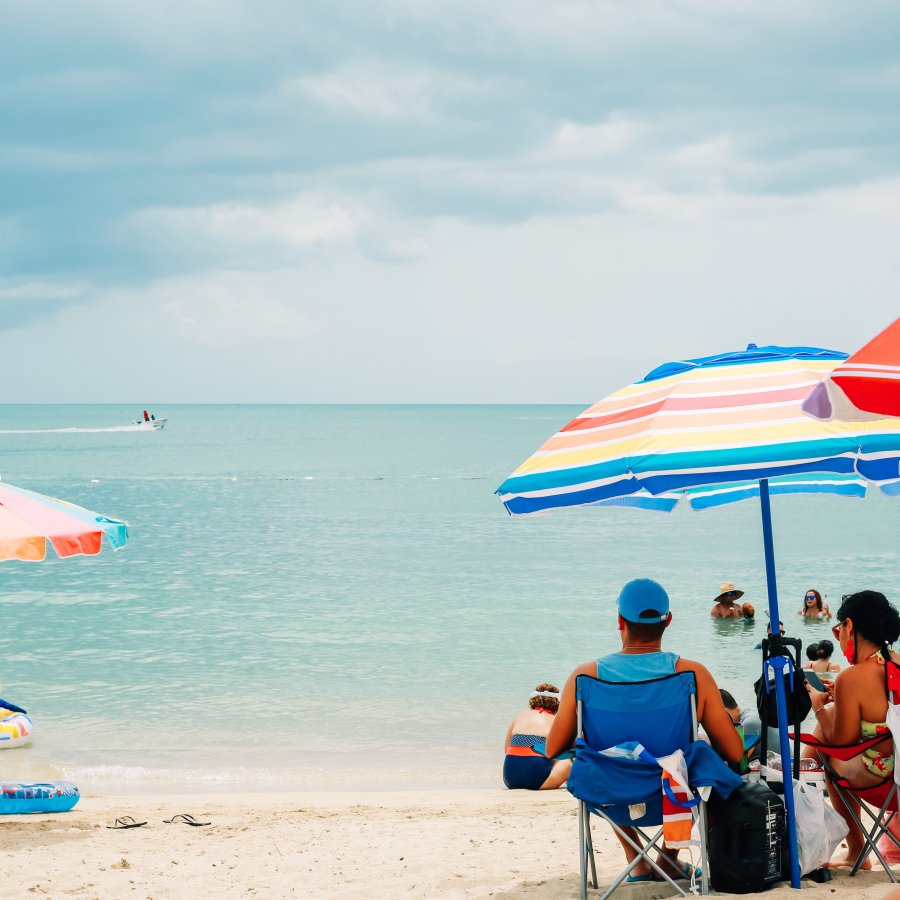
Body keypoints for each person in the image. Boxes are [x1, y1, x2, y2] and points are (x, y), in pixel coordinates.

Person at [547, 579, 743, 880]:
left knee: (597, 758)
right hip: (673, 791)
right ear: (669, 621)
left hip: (609, 791)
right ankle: (668, 857)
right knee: (697, 757)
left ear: (620, 622)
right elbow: (734, 751)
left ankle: (635, 858)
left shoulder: (584, 677)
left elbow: (551, 748)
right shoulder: (693, 674)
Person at [802, 590, 900, 869]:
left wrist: (817, 707)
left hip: (887, 785)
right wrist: (842, 703)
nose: (839, 637)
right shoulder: (896, 662)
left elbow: (842, 746)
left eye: (839, 629)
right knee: (832, 719)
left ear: (850, 626)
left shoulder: (852, 677)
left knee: (824, 754)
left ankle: (854, 849)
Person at [503, 683, 572, 790]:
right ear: (557, 703)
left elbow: (507, 749)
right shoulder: (556, 721)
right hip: (536, 780)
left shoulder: (520, 715)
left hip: (510, 778)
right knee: (569, 761)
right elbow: (565, 751)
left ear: (534, 700)